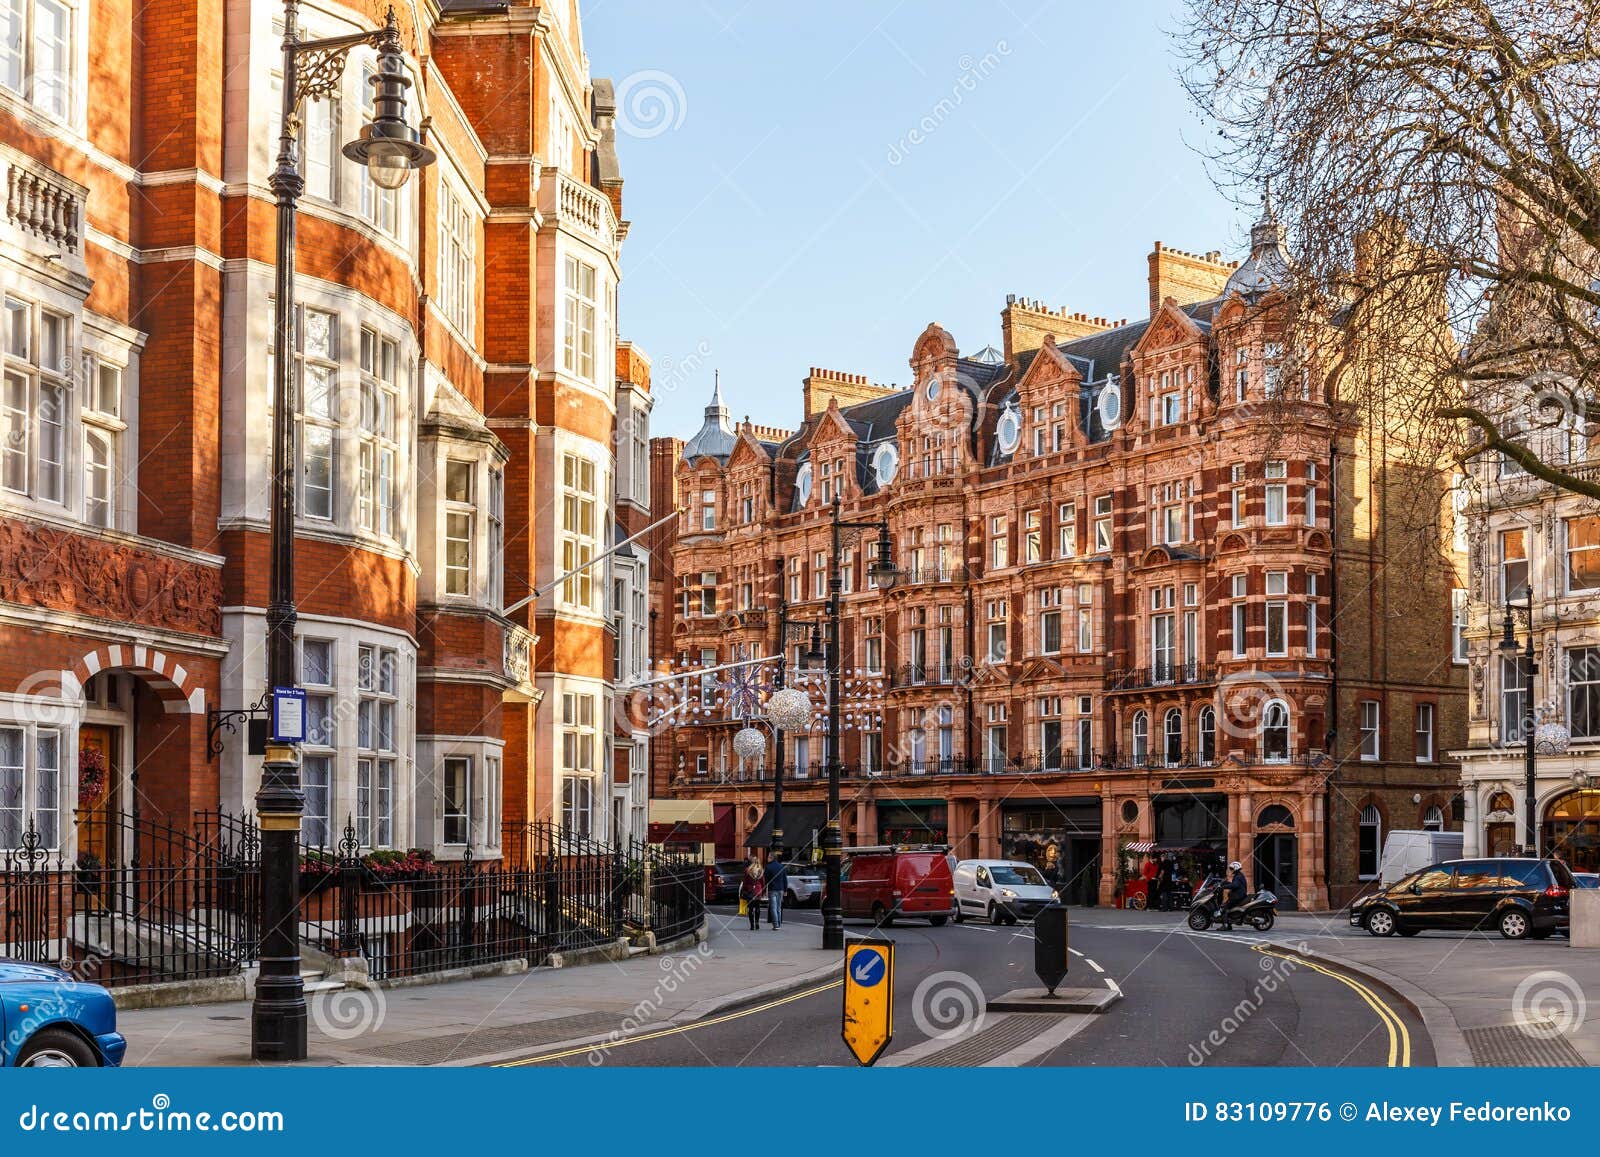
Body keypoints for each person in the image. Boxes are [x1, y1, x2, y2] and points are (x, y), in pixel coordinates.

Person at [1220, 860, 1249, 930]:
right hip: (1239, 895)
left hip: (1237, 896)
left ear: (1236, 868)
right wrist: (1225, 883)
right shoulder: (1239, 875)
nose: (1231, 870)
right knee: (1227, 907)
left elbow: (1235, 885)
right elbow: (1234, 884)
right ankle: (1229, 925)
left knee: (1224, 908)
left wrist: (1224, 887)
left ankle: (1226, 925)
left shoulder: (1238, 876)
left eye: (1232, 868)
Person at [764, 852, 788, 929]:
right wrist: (785, 890)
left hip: (772, 889)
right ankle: (779, 923)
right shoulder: (782, 866)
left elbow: (766, 880)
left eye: (768, 857)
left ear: (771, 858)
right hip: (780, 889)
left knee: (773, 908)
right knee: (778, 907)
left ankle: (776, 925)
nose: (767, 858)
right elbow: (785, 879)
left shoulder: (768, 867)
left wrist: (764, 890)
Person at [740, 858, 765, 931]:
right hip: (758, 890)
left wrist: (744, 890)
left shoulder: (747, 870)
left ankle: (752, 925)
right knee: (757, 907)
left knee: (750, 908)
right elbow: (763, 882)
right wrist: (762, 891)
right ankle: (757, 923)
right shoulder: (761, 870)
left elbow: (745, 882)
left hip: (750, 890)